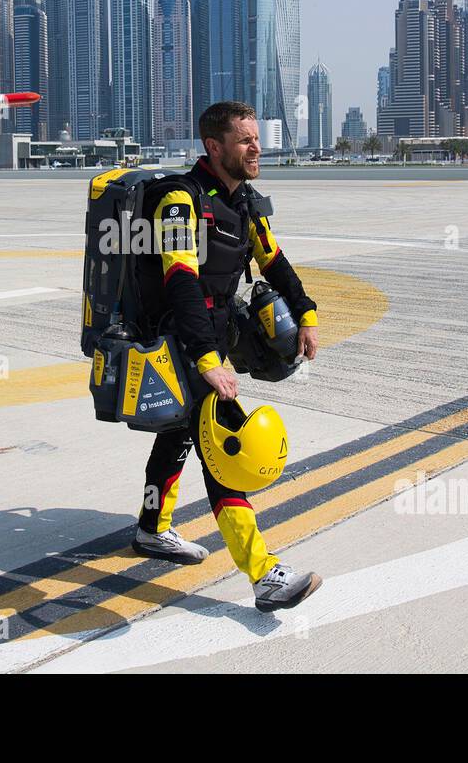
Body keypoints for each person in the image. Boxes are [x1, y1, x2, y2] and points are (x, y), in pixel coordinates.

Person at [131, 100, 322, 611]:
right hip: (182, 338)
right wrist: (205, 358)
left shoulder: (245, 204)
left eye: (257, 138)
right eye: (245, 140)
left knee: (177, 434)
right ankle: (264, 575)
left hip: (214, 336)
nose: (257, 147)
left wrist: (305, 312)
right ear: (214, 147)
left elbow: (274, 261)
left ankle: (152, 529)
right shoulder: (178, 200)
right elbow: (179, 279)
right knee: (224, 451)